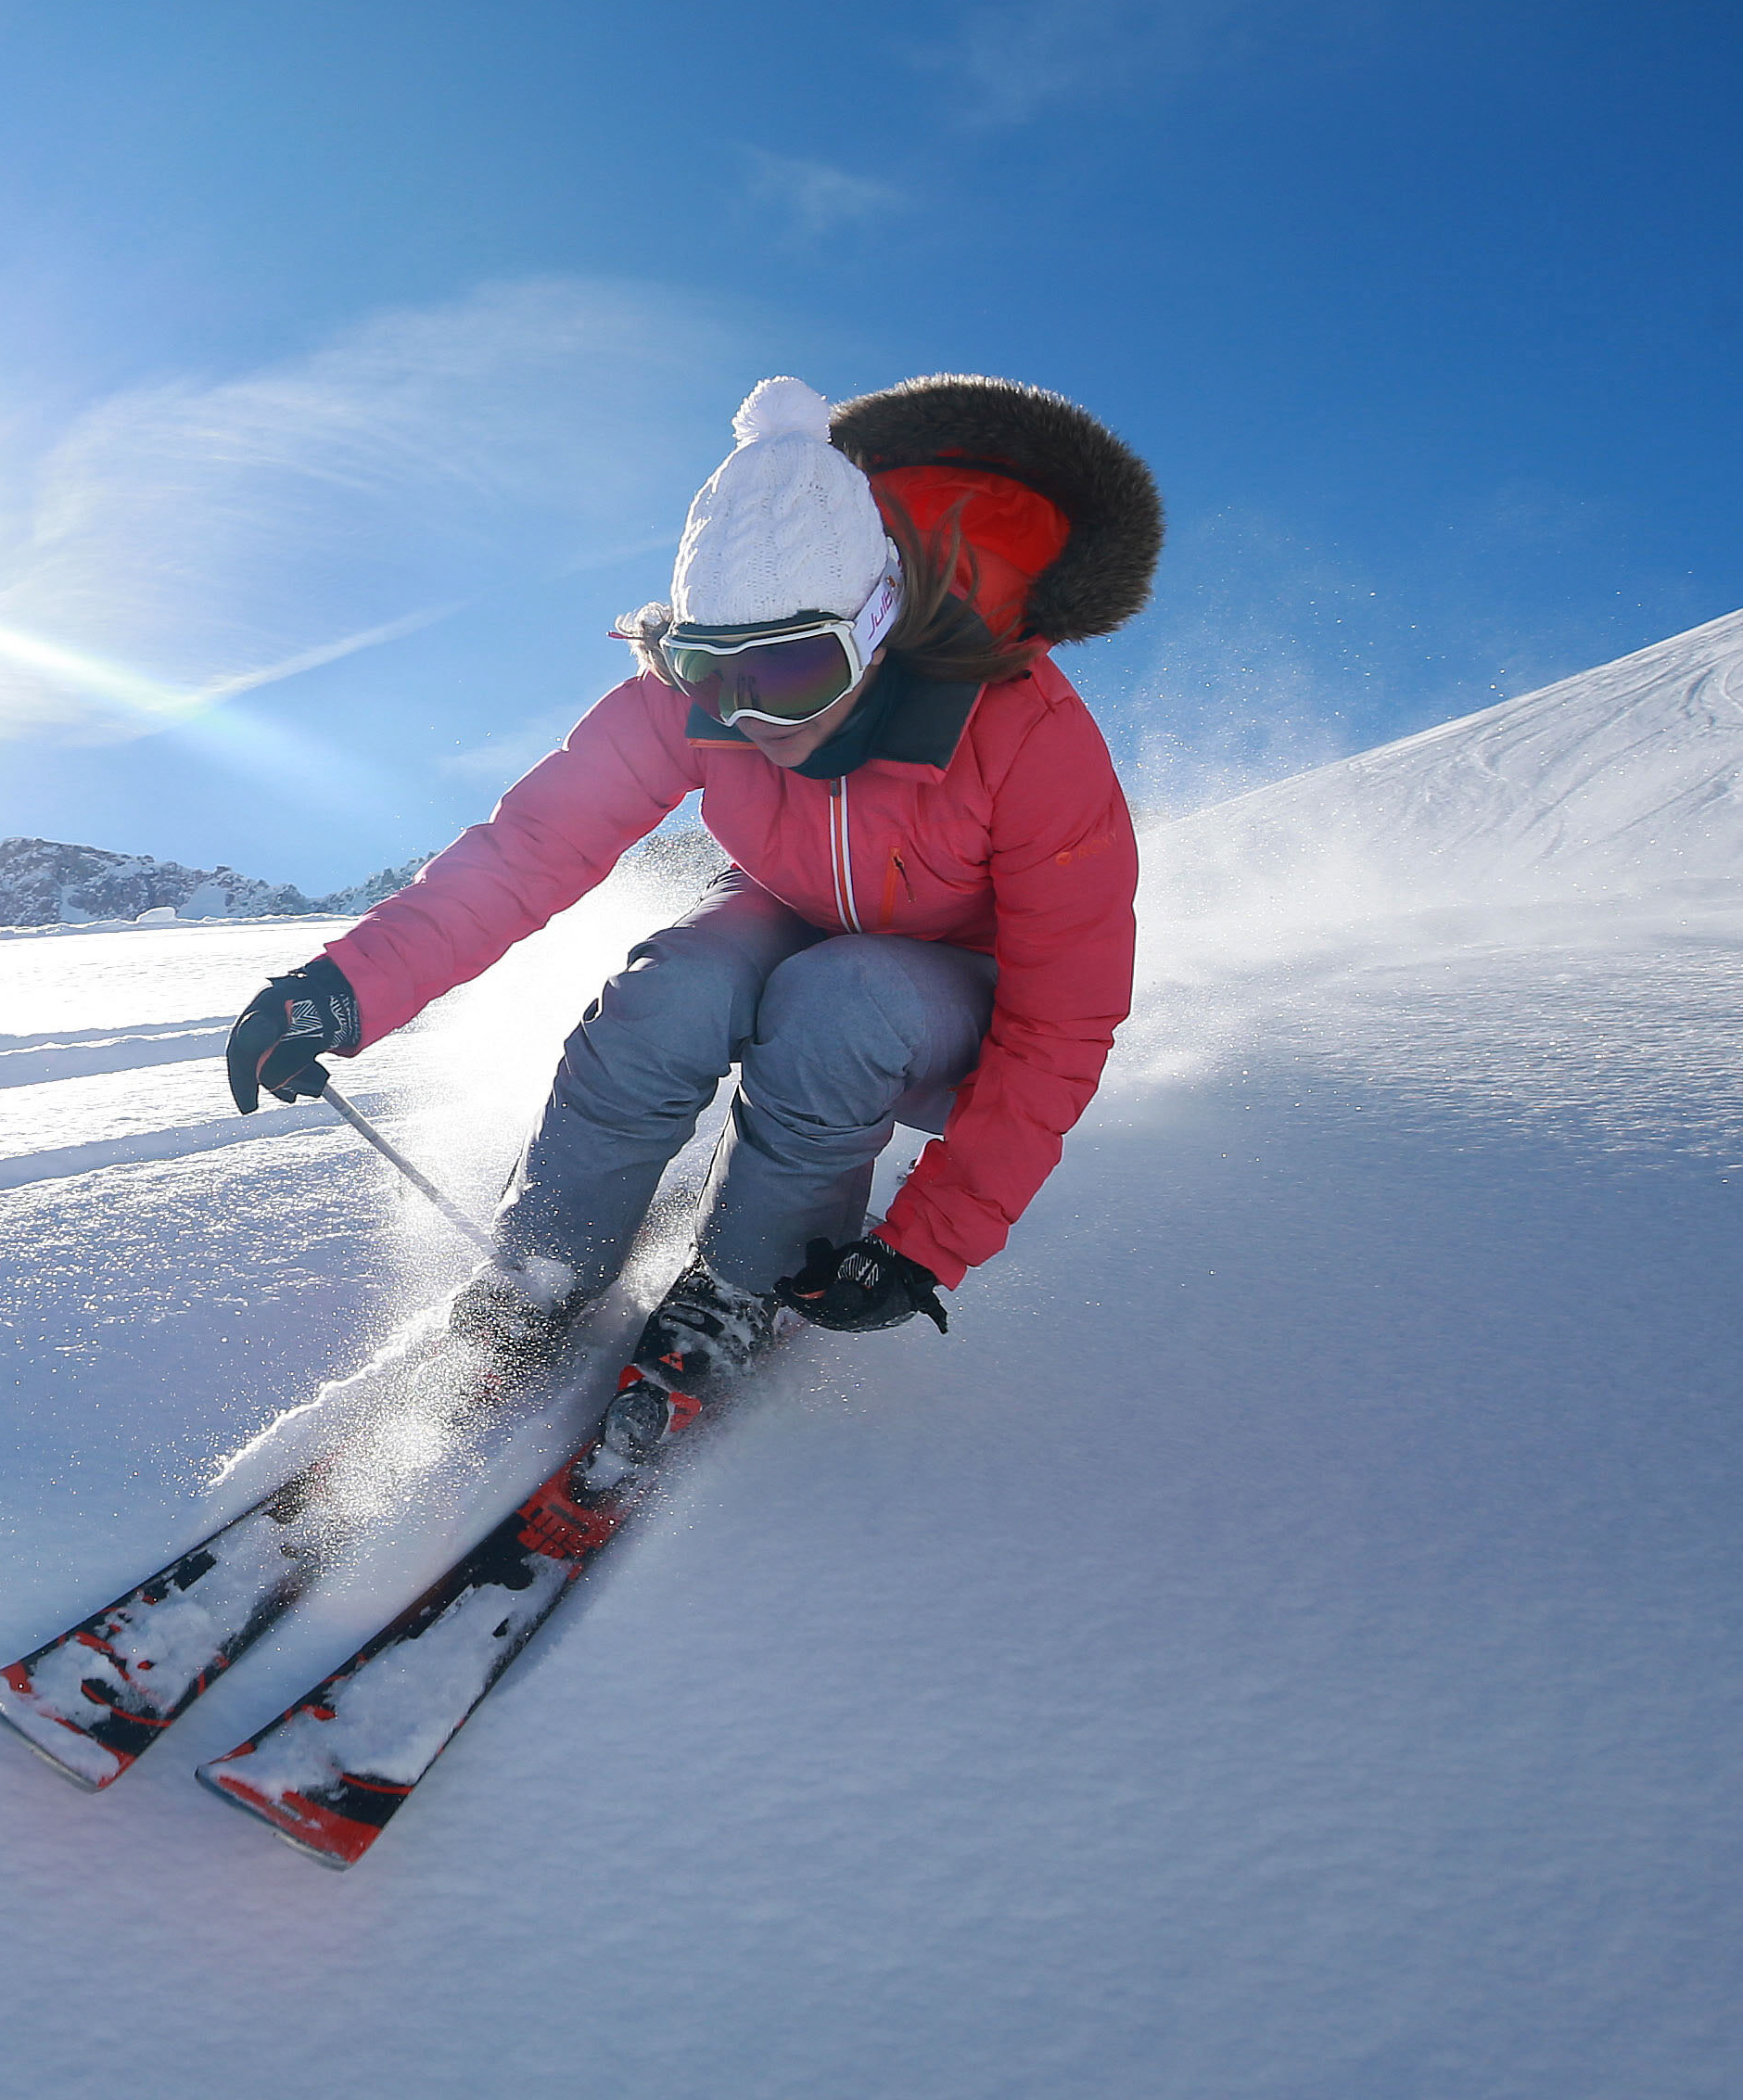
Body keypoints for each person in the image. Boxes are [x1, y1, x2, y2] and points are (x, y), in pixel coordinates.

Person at [223, 372, 1159, 1401]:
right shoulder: (689, 701)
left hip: (944, 988)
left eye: (796, 669)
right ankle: (547, 1263)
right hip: (788, 905)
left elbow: (1060, 1016)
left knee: (837, 1003)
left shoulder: (1023, 731)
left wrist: (926, 1242)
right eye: (719, 673)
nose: (755, 716)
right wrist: (341, 986)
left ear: (877, 618)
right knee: (669, 987)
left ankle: (747, 1282)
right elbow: (531, 845)